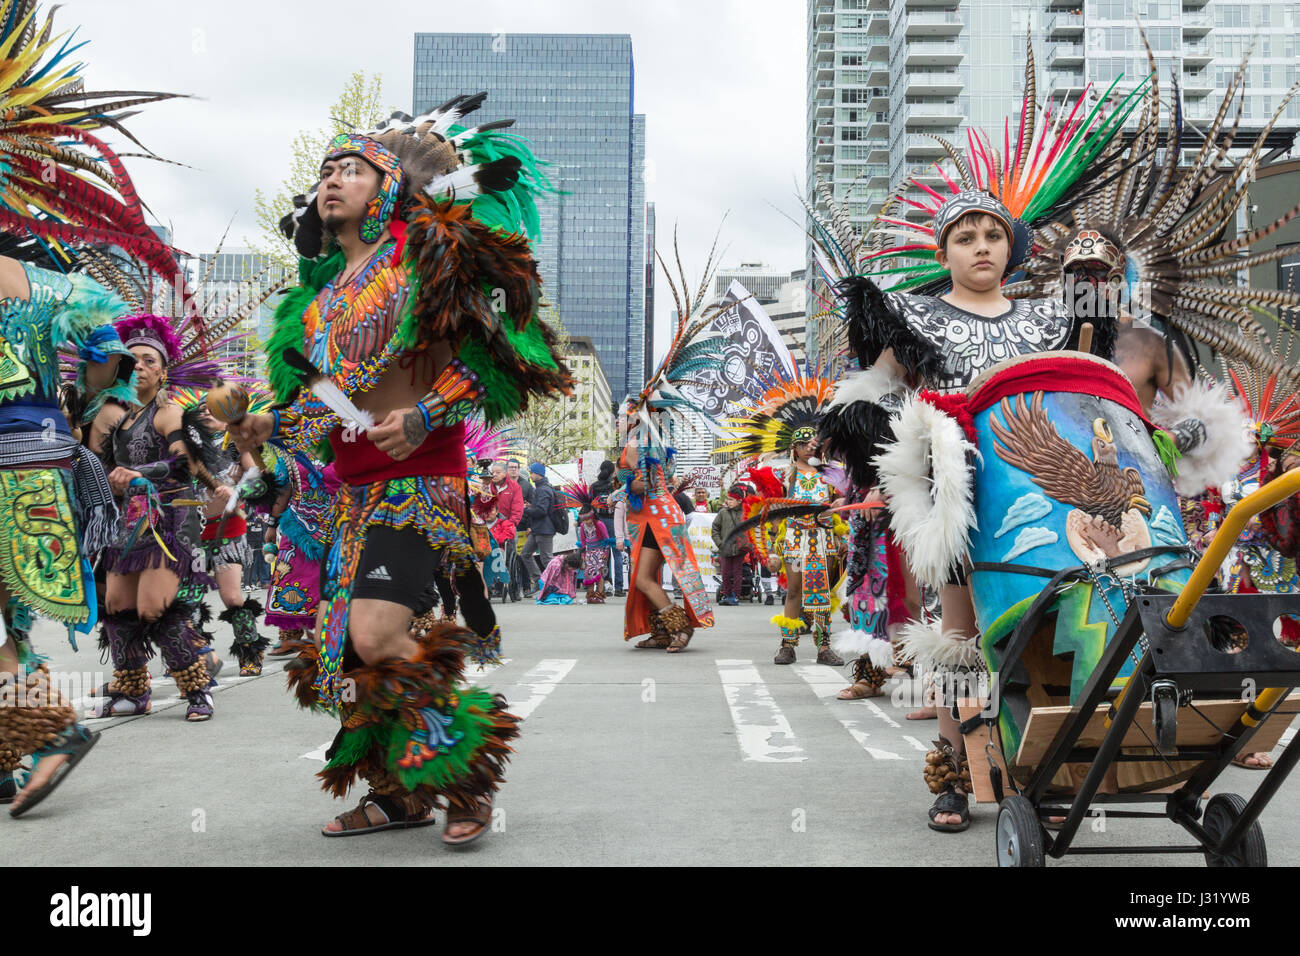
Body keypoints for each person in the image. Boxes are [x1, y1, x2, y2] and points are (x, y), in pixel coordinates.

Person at [231, 93, 569, 841]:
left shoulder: (428, 257)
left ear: (385, 187)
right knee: (341, 652)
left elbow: (499, 356)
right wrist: (267, 424)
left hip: (419, 483)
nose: (331, 180)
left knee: (380, 633)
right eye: (323, 171)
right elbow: (324, 404)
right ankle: (399, 791)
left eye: (349, 168)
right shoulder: (316, 303)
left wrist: (423, 415)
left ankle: (466, 777)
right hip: (346, 498)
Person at [717, 375, 847, 664]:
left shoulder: (831, 474)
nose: (810, 448)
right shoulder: (786, 475)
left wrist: (840, 535)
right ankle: (788, 645)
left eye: (814, 444)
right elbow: (772, 513)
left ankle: (823, 647)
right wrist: (773, 548)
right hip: (796, 539)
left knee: (821, 592)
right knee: (795, 591)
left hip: (824, 538)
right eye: (805, 444)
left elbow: (841, 507)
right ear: (795, 448)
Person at [474, 460, 524, 601]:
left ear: (505, 473)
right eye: (493, 472)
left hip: (506, 523)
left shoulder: (514, 487)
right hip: (488, 521)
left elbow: (518, 508)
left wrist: (510, 523)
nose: (494, 475)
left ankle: (512, 586)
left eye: (498, 472)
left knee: (509, 549)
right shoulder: (486, 486)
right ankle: (488, 585)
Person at [711, 484, 751, 606]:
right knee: (725, 572)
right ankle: (728, 595)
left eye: (731, 499)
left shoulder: (745, 512)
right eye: (727, 499)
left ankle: (735, 596)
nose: (728, 501)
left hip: (740, 548)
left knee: (738, 572)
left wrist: (746, 540)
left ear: (739, 501)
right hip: (725, 548)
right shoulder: (723, 512)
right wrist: (720, 543)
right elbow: (715, 528)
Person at [520, 462, 556, 596]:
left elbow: (541, 511)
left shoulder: (543, 489)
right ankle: (539, 581)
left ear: (539, 474)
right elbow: (540, 507)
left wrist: (527, 509)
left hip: (544, 529)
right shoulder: (540, 488)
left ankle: (555, 584)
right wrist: (531, 506)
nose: (531, 475)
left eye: (532, 473)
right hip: (537, 529)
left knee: (547, 559)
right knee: (525, 554)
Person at [590, 459, 624, 596]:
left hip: (598, 522)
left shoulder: (594, 486)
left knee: (602, 555)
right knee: (617, 554)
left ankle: (604, 585)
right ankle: (619, 588)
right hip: (613, 521)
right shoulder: (615, 486)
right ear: (612, 472)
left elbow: (590, 504)